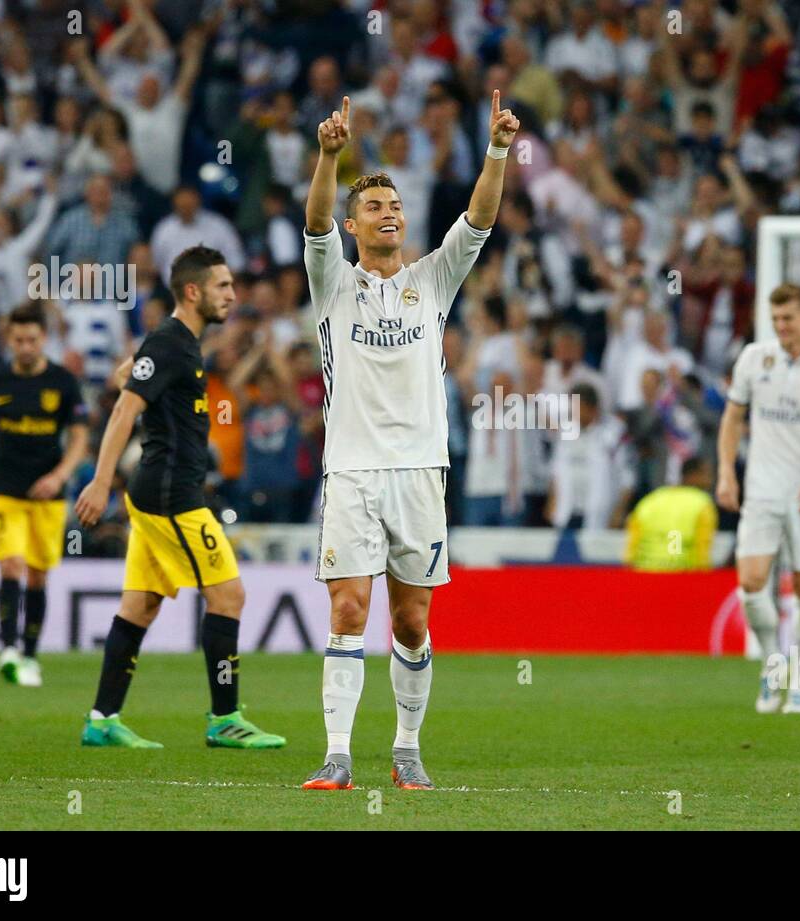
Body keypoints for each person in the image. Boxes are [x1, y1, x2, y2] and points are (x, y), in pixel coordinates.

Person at [300, 92, 519, 791]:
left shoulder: (433, 280)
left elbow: (481, 218)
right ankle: (337, 753)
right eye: (374, 207)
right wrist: (331, 156)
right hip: (354, 472)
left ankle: (406, 749)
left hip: (422, 471)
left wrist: (497, 149)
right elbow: (313, 220)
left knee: (413, 620)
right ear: (355, 224)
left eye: (395, 206)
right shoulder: (333, 281)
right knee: (347, 609)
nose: (389, 213)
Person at [74, 246, 285, 749]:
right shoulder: (172, 343)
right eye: (223, 287)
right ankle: (225, 718)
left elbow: (127, 373)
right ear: (193, 292)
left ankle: (102, 720)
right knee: (228, 595)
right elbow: (124, 409)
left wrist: (133, 369)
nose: (233, 295)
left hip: (157, 494)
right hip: (173, 497)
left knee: (140, 605)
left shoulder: (178, 343)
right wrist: (101, 481)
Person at [716, 284, 800, 715]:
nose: (781, 327)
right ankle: (773, 665)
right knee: (752, 582)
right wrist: (725, 473)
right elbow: (733, 417)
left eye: (788, 318)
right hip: (761, 492)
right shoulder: (755, 359)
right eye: (775, 320)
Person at [0, 304, 89, 687]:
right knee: (11, 564)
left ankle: (30, 655)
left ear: (44, 339)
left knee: (38, 574)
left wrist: (60, 475)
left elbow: (80, 436)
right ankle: (9, 649)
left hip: (49, 494)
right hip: (5, 490)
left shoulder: (63, 381)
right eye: (19, 340)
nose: (26, 347)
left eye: (32, 339)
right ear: (8, 340)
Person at [625, 455, 717, 571]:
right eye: (707, 474)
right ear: (693, 475)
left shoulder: (650, 500)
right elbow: (701, 552)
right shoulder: (702, 503)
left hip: (645, 574)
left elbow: (631, 550)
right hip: (682, 576)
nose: (711, 480)